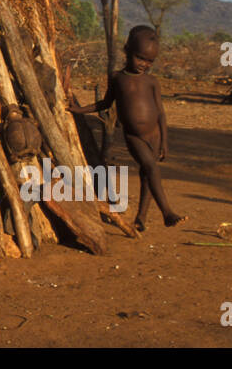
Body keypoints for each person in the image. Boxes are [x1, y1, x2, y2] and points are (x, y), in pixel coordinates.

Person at [68, 25, 186, 232]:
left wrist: (165, 142)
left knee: (147, 173)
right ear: (127, 51)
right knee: (151, 166)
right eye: (140, 58)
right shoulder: (117, 78)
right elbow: (105, 103)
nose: (144, 64)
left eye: (150, 61)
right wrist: (80, 110)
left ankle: (141, 218)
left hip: (155, 134)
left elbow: (160, 113)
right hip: (134, 136)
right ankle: (167, 212)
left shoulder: (151, 81)